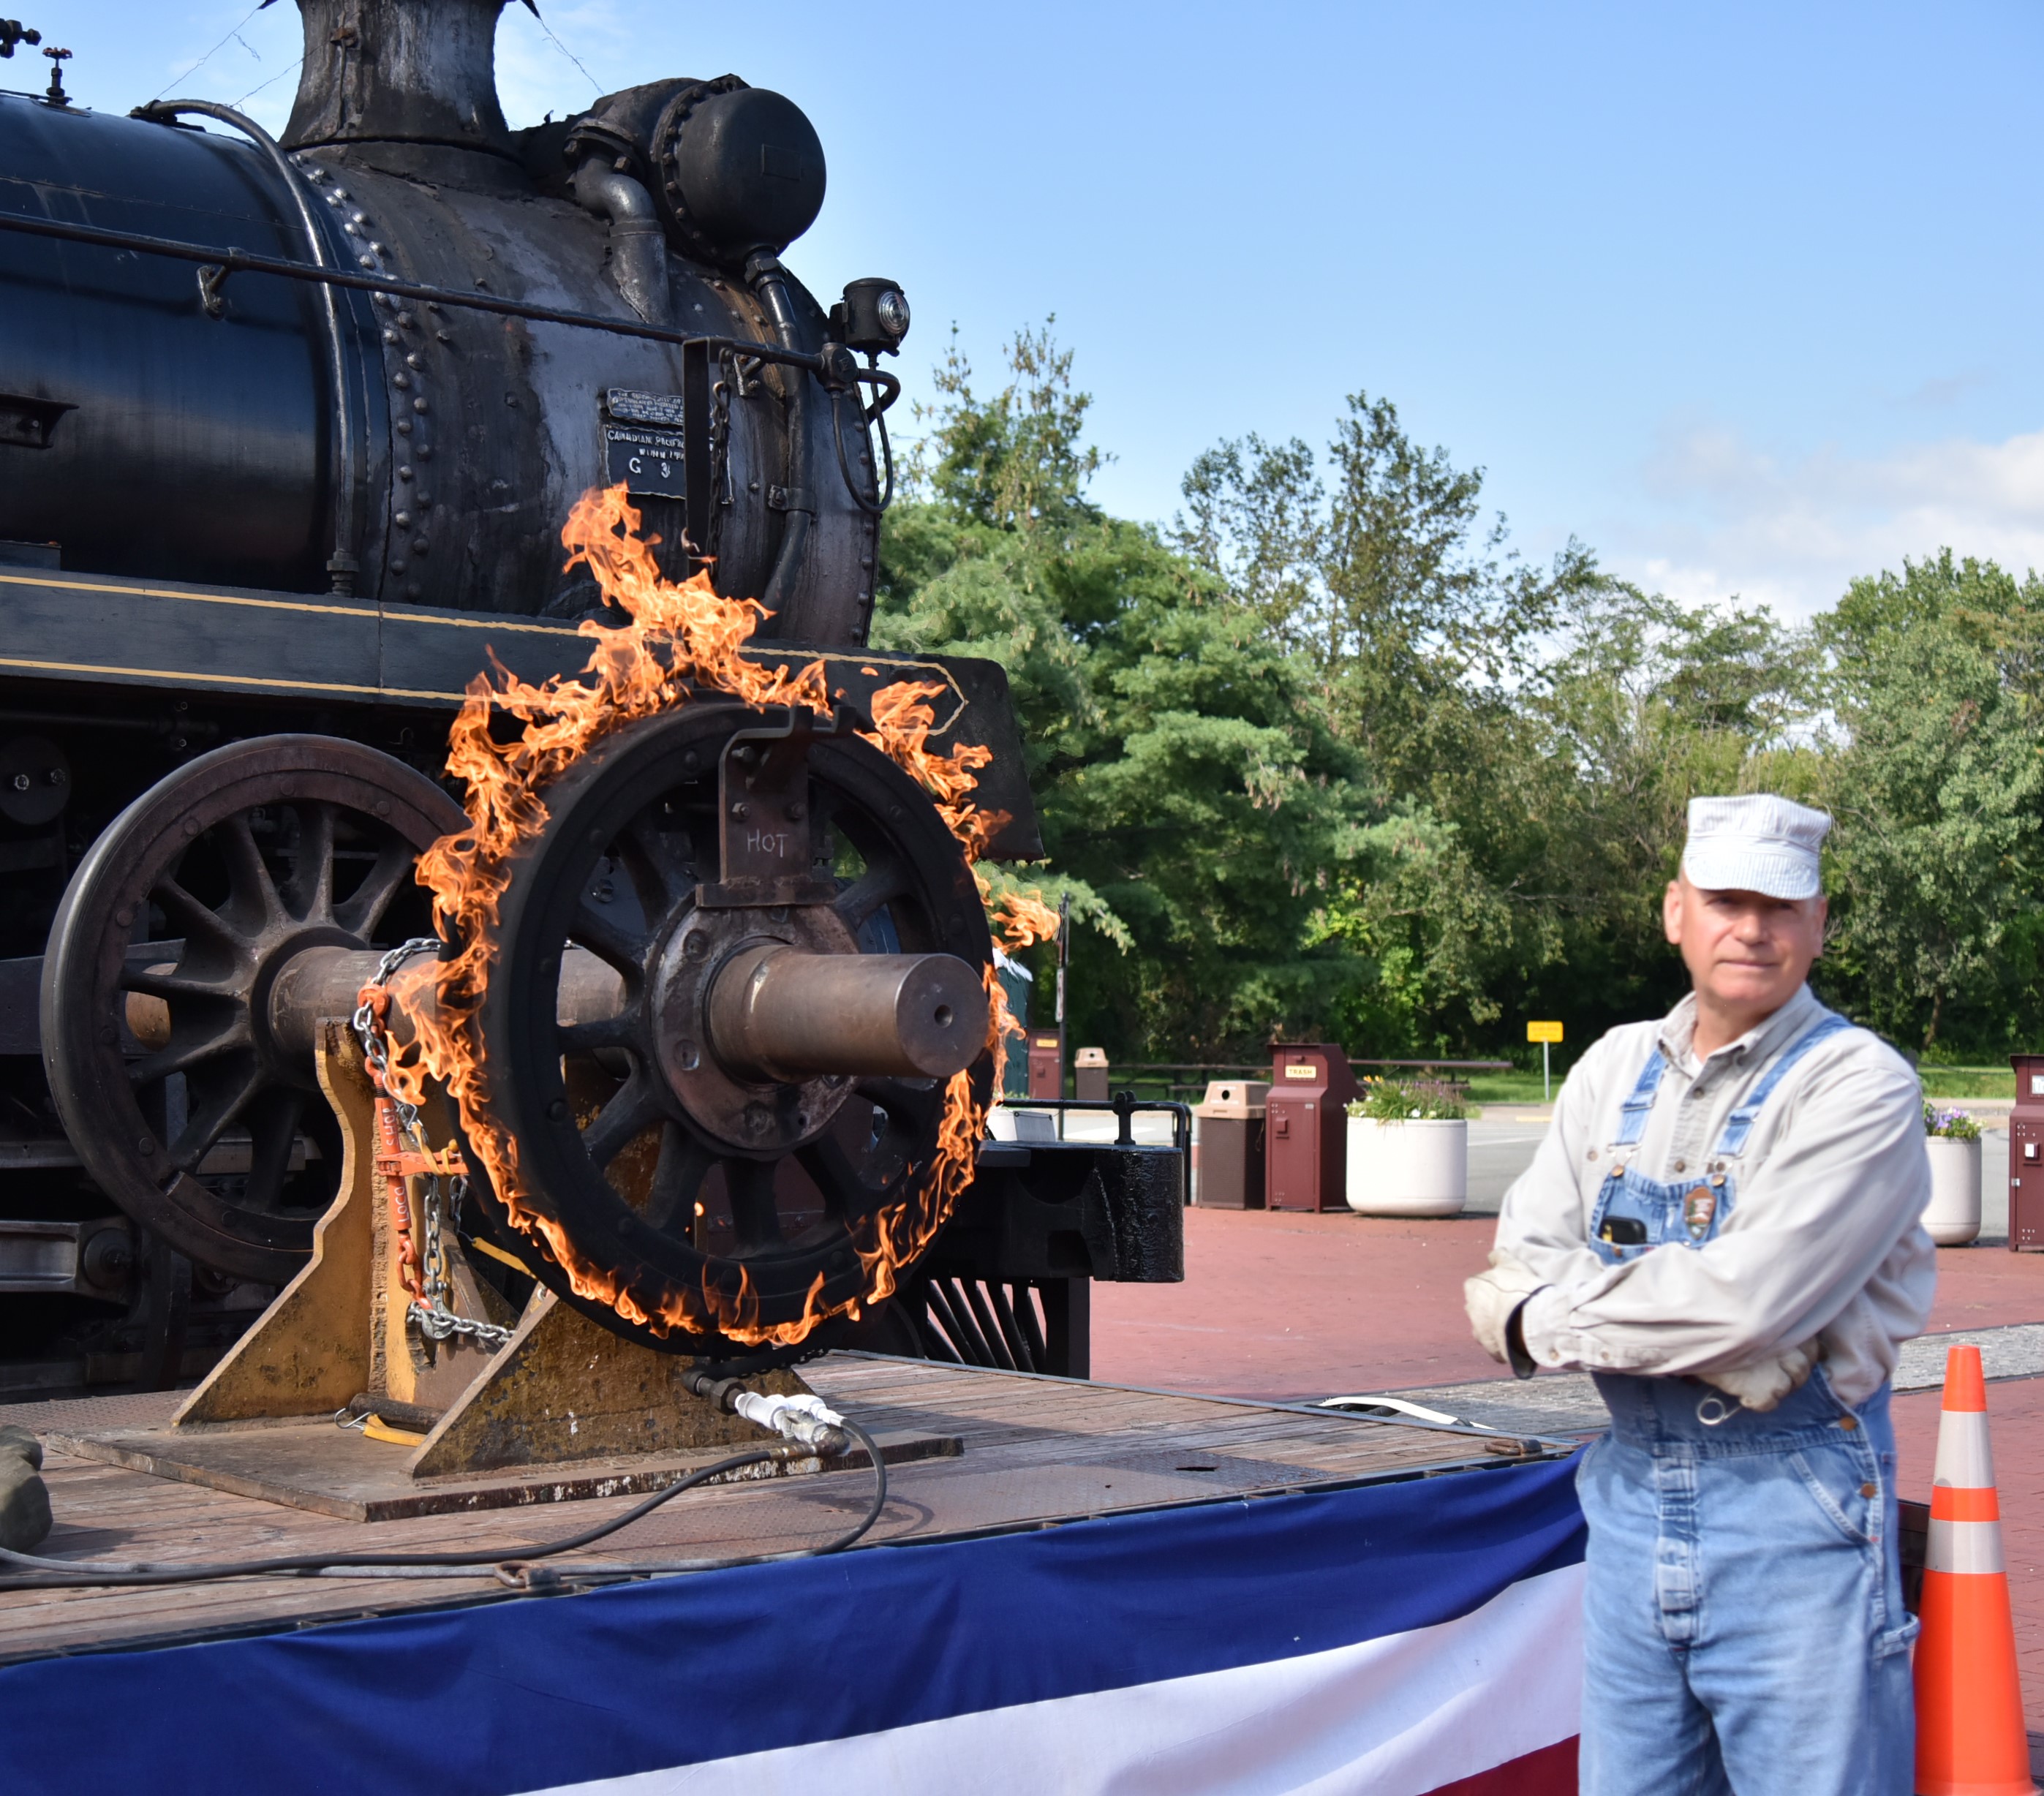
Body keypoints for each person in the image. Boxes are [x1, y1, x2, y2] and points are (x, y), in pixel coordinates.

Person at [1465, 793, 1934, 1796]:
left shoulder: (1859, 1085)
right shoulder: (1612, 1067)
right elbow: (1518, 1258)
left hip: (1794, 1519)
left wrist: (1544, 1320)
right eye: (1726, 901)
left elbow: (1748, 1306)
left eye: (1781, 906)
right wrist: (1686, 1326)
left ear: (1819, 924)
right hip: (1628, 1504)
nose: (1752, 929)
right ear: (1676, 911)